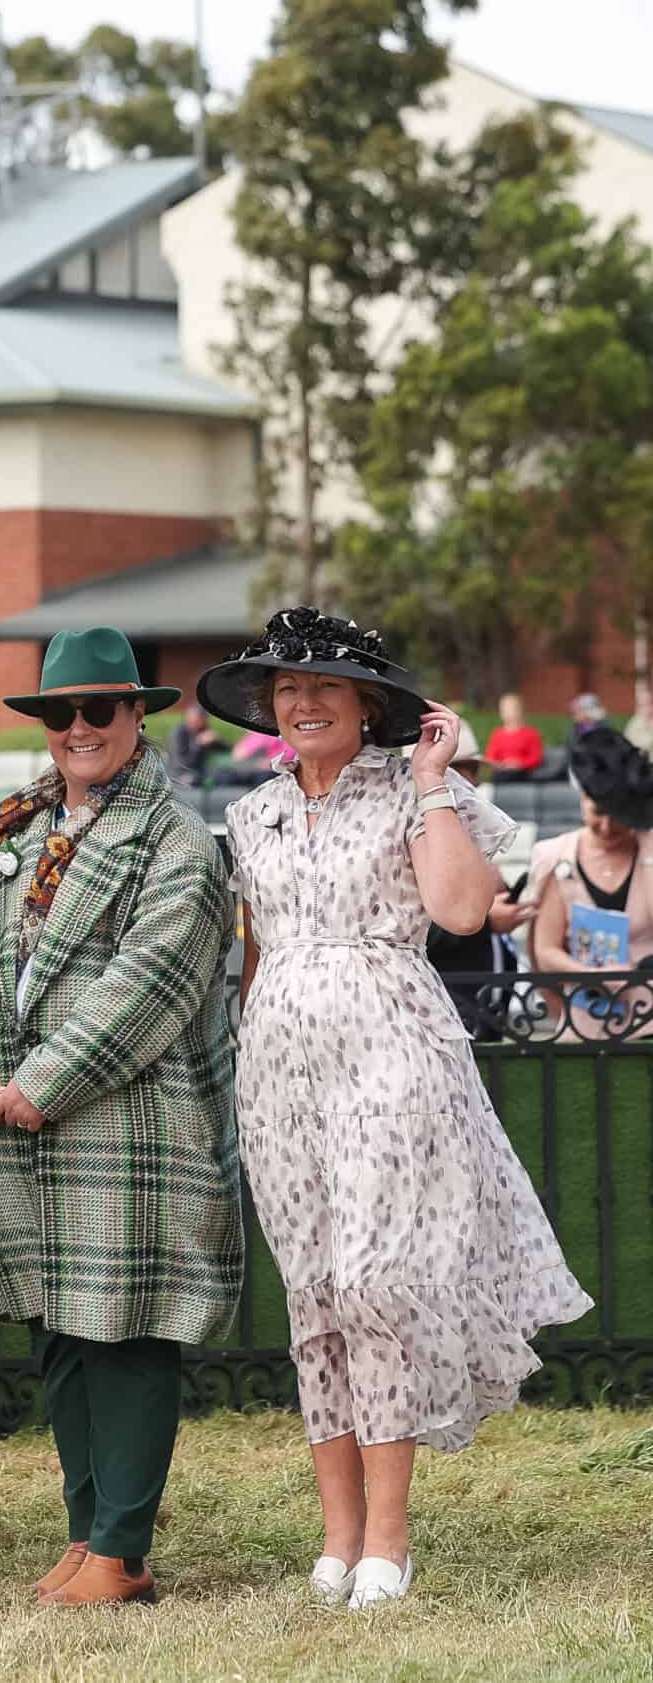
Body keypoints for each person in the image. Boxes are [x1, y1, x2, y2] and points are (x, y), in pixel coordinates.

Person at [200, 607, 591, 1609]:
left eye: (325, 684)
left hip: (392, 1056)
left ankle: (388, 1537)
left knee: (375, 1282)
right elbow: (257, 951)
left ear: (368, 702)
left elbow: (460, 910)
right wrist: (253, 1051)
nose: (304, 701)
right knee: (316, 1296)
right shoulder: (251, 814)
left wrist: (428, 782)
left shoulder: (420, 791)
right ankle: (337, 1538)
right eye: (288, 686)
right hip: (279, 1072)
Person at [0, 627, 243, 1608]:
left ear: (137, 714)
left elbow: (147, 983)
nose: (77, 727)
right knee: (61, 1332)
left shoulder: (178, 839)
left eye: (98, 709)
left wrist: (36, 1085)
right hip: (12, 1128)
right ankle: (86, 1536)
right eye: (59, 712)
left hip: (131, 1125)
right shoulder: (10, 834)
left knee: (128, 1330)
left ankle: (123, 1548)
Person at [526, 726, 653, 1041]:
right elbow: (545, 950)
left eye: (618, 816)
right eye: (598, 812)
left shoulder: (649, 850)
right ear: (582, 798)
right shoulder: (555, 856)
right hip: (584, 1025)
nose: (607, 827)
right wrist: (593, 975)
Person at [423, 726, 529, 1041]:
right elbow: (411, 927)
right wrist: (488, 922)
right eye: (460, 771)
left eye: (473, 771)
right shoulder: (413, 834)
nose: (472, 782)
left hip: (487, 1013)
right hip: (444, 1014)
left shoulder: (475, 828)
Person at [483, 691, 544, 778]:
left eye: (510, 709)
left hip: (523, 772)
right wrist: (500, 765)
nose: (507, 712)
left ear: (520, 710)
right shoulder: (497, 734)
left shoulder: (530, 733)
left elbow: (536, 757)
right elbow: (490, 756)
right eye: (503, 709)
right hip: (501, 772)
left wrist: (520, 764)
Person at [167, 701, 226, 786]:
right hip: (181, 774)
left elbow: (226, 749)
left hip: (201, 772)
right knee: (194, 779)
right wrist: (198, 744)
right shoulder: (180, 732)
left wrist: (216, 740)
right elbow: (182, 763)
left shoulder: (202, 730)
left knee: (227, 776)